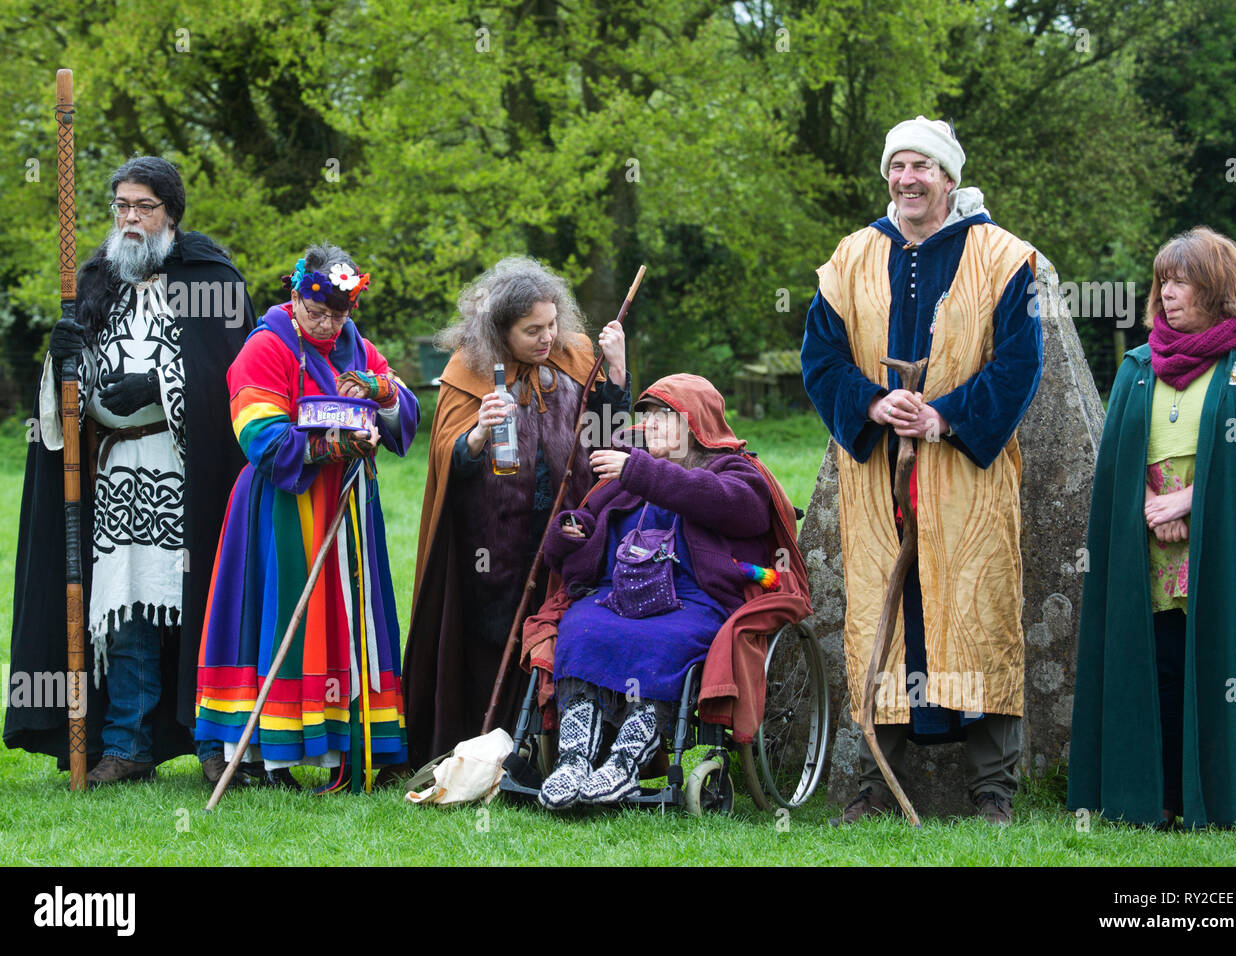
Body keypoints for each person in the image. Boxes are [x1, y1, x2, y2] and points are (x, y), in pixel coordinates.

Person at [801, 116, 1043, 825]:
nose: (907, 179)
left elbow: (1020, 364)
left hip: (965, 474)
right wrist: (873, 405)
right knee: (887, 607)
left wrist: (945, 418)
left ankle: (992, 785)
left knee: (972, 605)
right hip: (880, 477)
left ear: (948, 177)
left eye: (922, 167)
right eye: (897, 167)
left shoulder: (1002, 256)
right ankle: (878, 780)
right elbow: (820, 357)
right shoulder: (851, 258)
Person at [5, 156, 255, 787]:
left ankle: (214, 743)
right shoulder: (96, 278)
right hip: (117, 470)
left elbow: (228, 378)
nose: (131, 219)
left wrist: (161, 382)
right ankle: (126, 742)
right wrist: (65, 362)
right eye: (121, 206)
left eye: (143, 206)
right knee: (126, 610)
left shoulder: (210, 278)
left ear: (170, 212)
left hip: (188, 470)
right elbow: (68, 387)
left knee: (203, 602)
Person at [1068, 227, 1236, 829]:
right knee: (1159, 665)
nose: (1167, 292)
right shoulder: (1140, 366)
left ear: (1217, 288)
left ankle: (1218, 791)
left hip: (1223, 543)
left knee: (1216, 664)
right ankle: (1159, 796)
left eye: (1182, 280)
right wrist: (1148, 504)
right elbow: (1118, 458)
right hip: (1148, 545)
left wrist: (1188, 502)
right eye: (1163, 280)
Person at [194, 244, 419, 792]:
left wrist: (380, 390)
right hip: (281, 509)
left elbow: (404, 415)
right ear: (293, 295)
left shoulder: (358, 350)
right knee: (280, 618)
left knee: (350, 618)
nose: (325, 324)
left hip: (349, 514)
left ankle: (355, 745)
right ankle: (261, 753)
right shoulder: (265, 347)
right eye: (315, 311)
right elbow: (260, 438)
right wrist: (336, 443)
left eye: (337, 315)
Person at [402, 256, 630, 765]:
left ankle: (556, 747)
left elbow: (606, 436)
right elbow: (447, 461)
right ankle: (491, 746)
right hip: (493, 542)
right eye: (533, 330)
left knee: (562, 630)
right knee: (495, 636)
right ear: (500, 330)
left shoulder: (575, 355)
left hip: (566, 530)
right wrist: (480, 432)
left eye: (552, 324)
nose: (548, 337)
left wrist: (616, 372)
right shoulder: (470, 370)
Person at [535, 374, 779, 807]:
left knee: (662, 640)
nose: (650, 427)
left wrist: (643, 473)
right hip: (618, 595)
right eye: (646, 418)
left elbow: (731, 507)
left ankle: (624, 765)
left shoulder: (735, 472)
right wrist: (572, 530)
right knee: (580, 627)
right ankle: (575, 758)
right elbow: (591, 523)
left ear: (695, 424)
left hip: (695, 600)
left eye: (664, 418)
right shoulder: (632, 470)